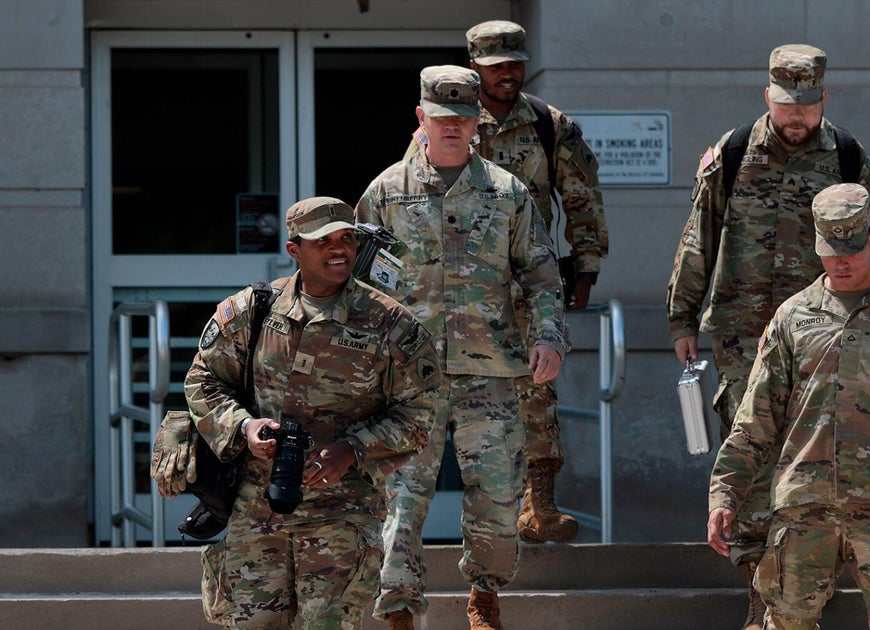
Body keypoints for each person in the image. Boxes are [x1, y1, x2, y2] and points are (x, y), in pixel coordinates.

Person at [666, 43, 870, 629]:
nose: (797, 116)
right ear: (767, 96)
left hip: (824, 331)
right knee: (750, 453)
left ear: (823, 98)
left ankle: (801, 595)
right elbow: (700, 236)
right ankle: (762, 601)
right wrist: (681, 319)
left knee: (811, 461)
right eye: (787, 104)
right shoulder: (734, 152)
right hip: (744, 333)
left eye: (808, 105)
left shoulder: (847, 157)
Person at [356, 65, 567, 630]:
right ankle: (399, 607)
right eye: (441, 118)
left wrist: (548, 336)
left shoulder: (506, 193)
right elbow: (358, 291)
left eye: (462, 118)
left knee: (498, 495)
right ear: (421, 119)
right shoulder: (385, 193)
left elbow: (542, 276)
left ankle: (486, 594)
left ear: (478, 122)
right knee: (401, 497)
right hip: (407, 380)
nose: (452, 128)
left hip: (490, 371)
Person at [706, 183, 870, 630]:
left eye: (852, 249)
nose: (840, 262)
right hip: (805, 507)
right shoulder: (793, 318)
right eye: (830, 250)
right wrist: (725, 493)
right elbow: (755, 420)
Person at [184, 196, 442, 629]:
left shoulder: (390, 323)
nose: (338, 249)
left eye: (346, 238)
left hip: (342, 512)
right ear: (294, 251)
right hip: (256, 508)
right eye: (323, 242)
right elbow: (202, 380)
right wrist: (244, 427)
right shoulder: (254, 311)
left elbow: (420, 412)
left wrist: (351, 450)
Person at [405, 19, 608, 543]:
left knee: (536, 393)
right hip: (454, 293)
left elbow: (582, 195)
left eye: (516, 64)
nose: (509, 74)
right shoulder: (442, 122)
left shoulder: (548, 123)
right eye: (497, 67)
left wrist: (585, 265)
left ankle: (539, 504)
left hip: (524, 281)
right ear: (475, 67)